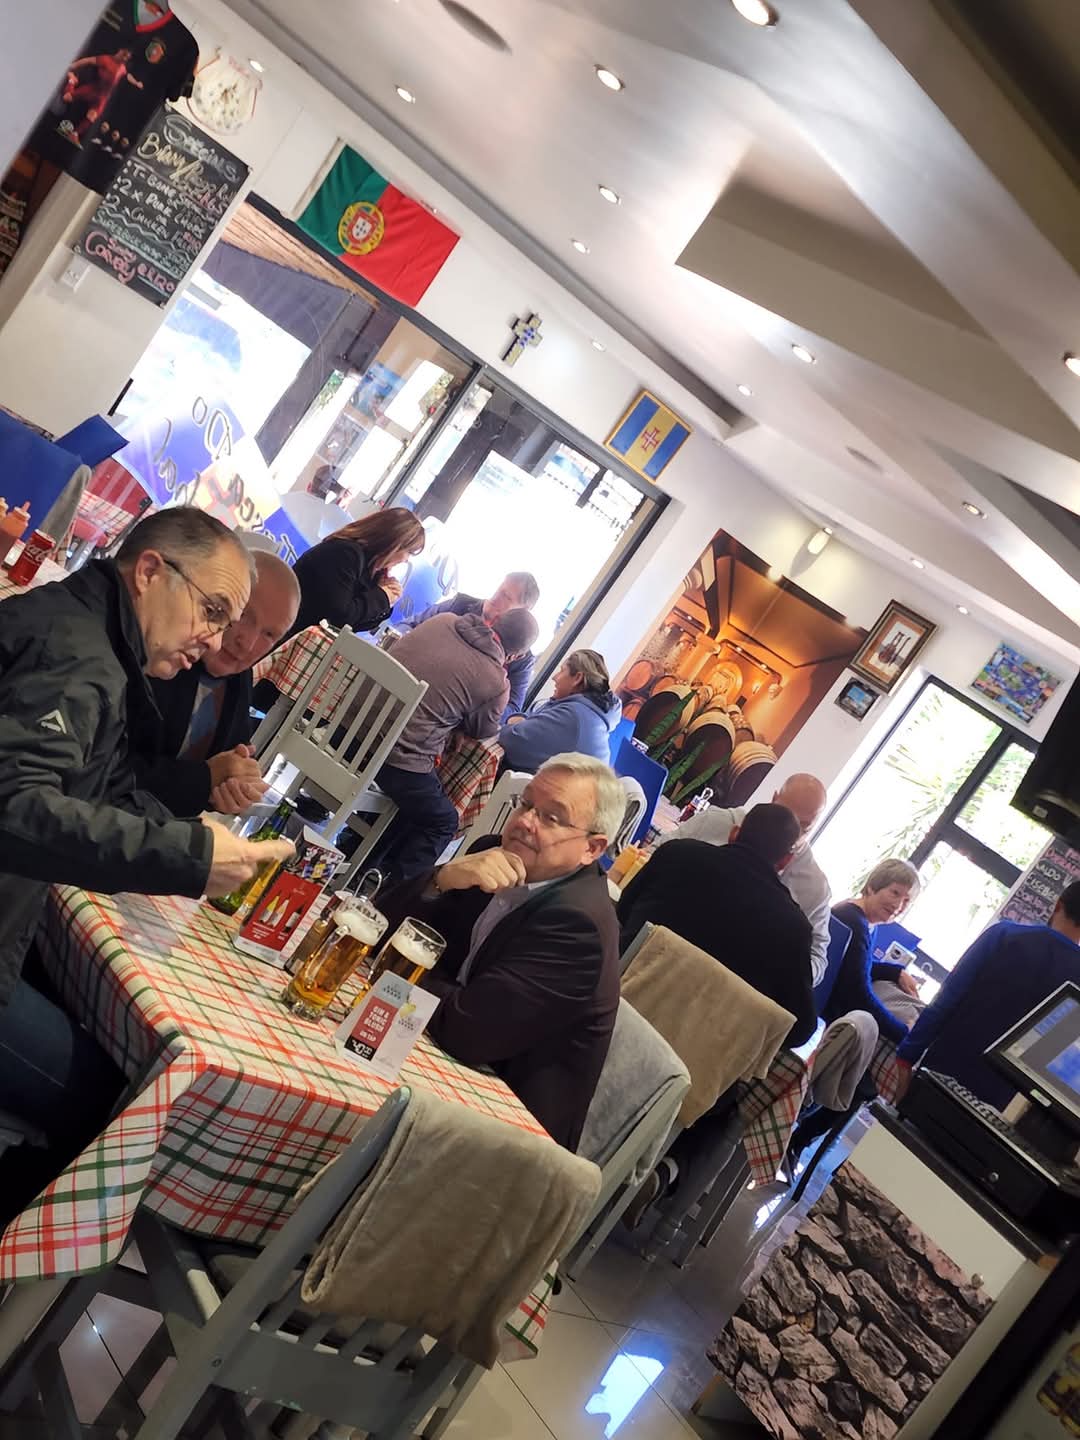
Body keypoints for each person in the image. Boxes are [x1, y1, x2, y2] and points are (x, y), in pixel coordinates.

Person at [0, 507, 294, 1220]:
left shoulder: (88, 625)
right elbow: (15, 808)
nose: (221, 640)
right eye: (215, 612)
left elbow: (102, 785)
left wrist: (183, 830)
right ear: (151, 571)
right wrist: (190, 854)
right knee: (119, 1113)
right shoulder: (83, 658)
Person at [380, 753, 623, 1149]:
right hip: (431, 1060)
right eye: (527, 804)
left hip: (497, 1136)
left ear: (592, 849)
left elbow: (465, 1031)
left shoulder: (579, 929)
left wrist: (400, 968)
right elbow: (379, 926)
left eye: (552, 818)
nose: (525, 822)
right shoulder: (493, 855)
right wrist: (441, 880)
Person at [618, 804, 817, 1049]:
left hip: (610, 1009)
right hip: (691, 1063)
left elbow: (623, 911)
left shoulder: (675, 855)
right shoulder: (793, 929)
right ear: (786, 860)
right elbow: (800, 1029)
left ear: (735, 833)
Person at [371, 607, 540, 882]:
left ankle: (363, 861)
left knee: (421, 799)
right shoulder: (496, 681)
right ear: (518, 656)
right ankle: (392, 897)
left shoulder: (444, 620)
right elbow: (482, 729)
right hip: (390, 759)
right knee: (443, 821)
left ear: (493, 618)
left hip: (344, 731)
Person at [127, 550, 300, 816]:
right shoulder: (159, 655)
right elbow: (100, 770)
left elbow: (223, 767)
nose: (249, 642)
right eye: (244, 615)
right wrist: (204, 779)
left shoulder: (237, 680)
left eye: (269, 634)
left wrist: (235, 782)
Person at [896, 883, 1080, 1108]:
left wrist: (907, 1056)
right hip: (1003, 1104)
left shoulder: (1002, 935)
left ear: (1058, 904)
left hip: (940, 1074)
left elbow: (946, 1000)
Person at [657, 774, 832, 987]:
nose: (789, 833)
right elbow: (652, 856)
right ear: (774, 798)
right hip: (664, 946)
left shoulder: (815, 888)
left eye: (804, 827)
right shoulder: (717, 821)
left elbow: (816, 960)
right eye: (784, 815)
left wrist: (783, 973)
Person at [404, 571, 540, 717]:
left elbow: (512, 708)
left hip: (449, 712)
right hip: (409, 681)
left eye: (506, 597)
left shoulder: (521, 657)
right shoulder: (459, 606)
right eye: (500, 589)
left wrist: (476, 709)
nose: (495, 597)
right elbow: (410, 624)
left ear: (522, 611)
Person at [827, 858, 924, 1046]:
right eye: (895, 893)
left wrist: (895, 972)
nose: (898, 906)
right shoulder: (854, 922)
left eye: (906, 901)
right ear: (872, 886)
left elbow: (857, 966)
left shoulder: (864, 921)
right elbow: (858, 994)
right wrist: (904, 1033)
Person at [288, 508, 425, 638]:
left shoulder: (370, 568)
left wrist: (387, 599)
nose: (406, 560)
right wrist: (382, 596)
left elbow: (356, 625)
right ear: (394, 543)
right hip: (286, 633)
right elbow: (337, 618)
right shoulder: (346, 553)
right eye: (409, 552)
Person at [497, 649, 622, 771]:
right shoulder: (583, 712)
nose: (554, 677)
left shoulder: (573, 716)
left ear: (577, 678)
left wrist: (516, 723)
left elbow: (509, 741)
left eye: (562, 671)